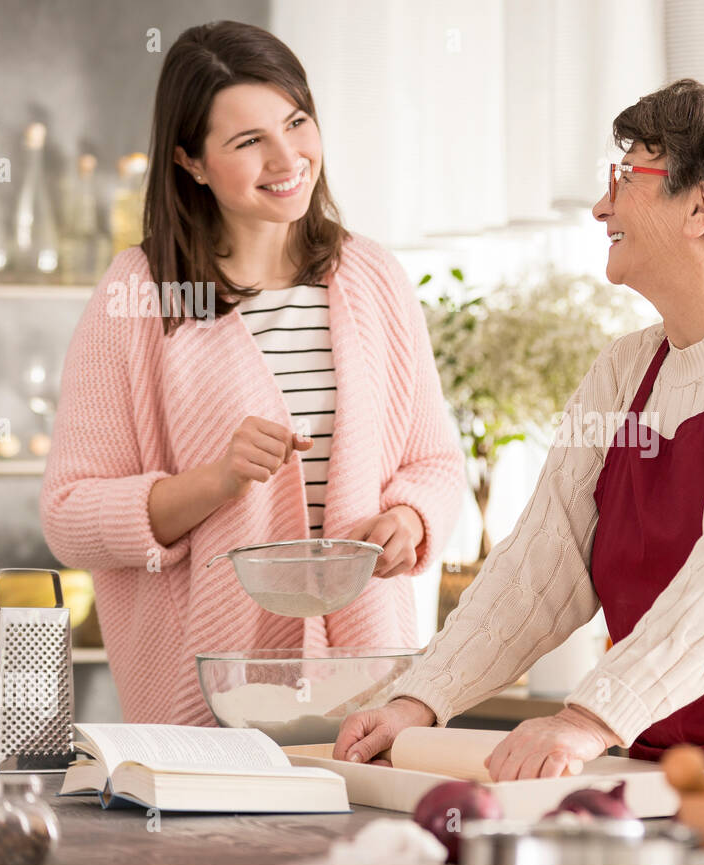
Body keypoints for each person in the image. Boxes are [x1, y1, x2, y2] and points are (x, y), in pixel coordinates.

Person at [334, 78, 704, 776]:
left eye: (625, 177)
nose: (600, 206)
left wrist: (587, 718)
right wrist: (418, 699)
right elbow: (542, 562)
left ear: (701, 205)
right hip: (684, 763)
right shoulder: (625, 371)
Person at [40, 21, 465, 725]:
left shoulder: (373, 276)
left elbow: (435, 463)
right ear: (191, 162)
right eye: (247, 142)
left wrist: (410, 519)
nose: (287, 157)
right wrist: (216, 481)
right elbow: (70, 517)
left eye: (296, 122)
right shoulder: (140, 293)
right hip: (206, 698)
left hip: (364, 693)